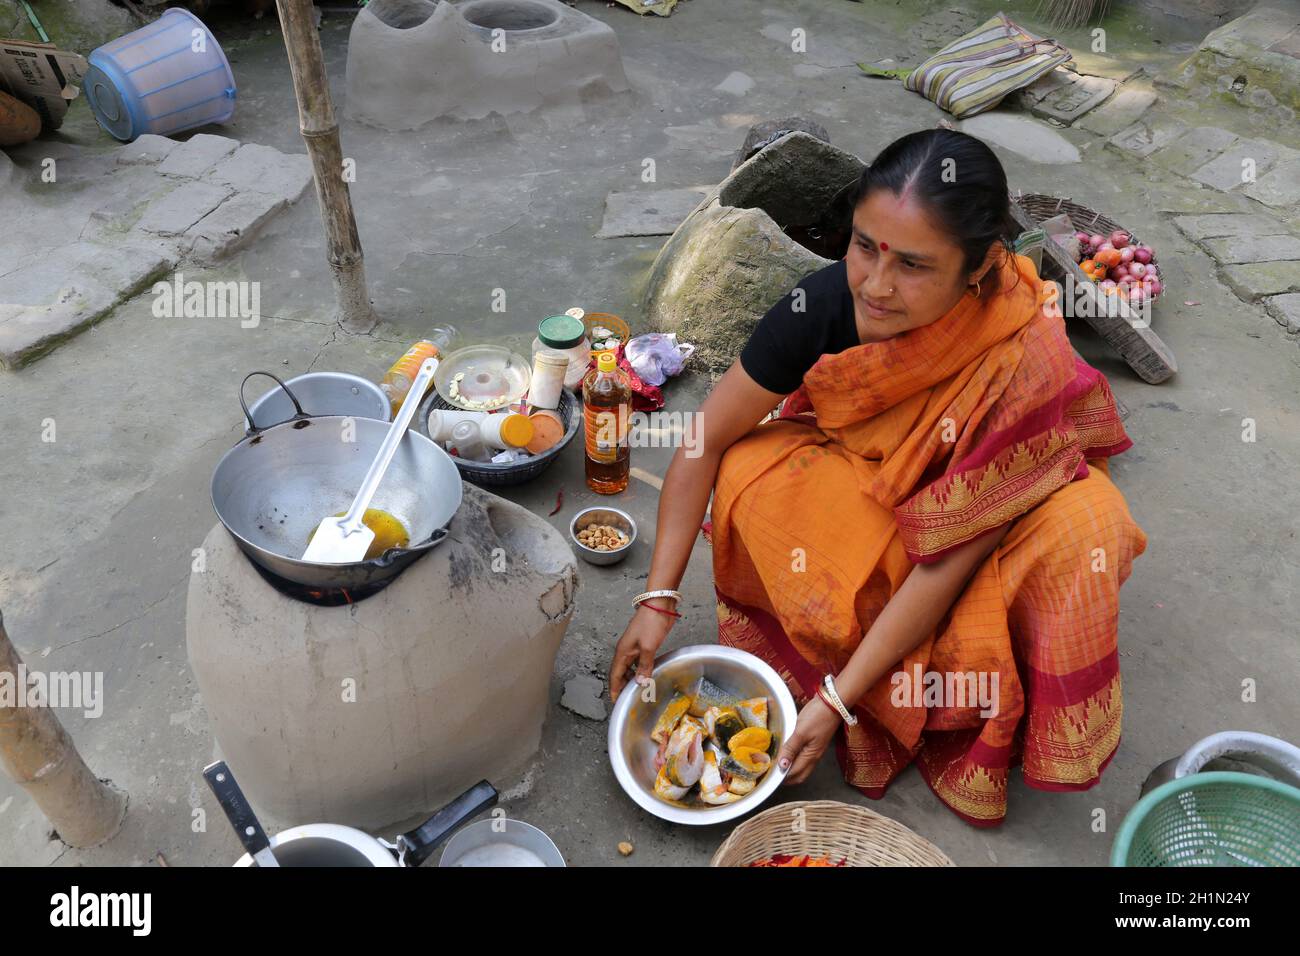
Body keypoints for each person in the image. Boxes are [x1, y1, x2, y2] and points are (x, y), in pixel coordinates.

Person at [607, 129, 1147, 825]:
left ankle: (962, 676)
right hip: (886, 496)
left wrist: (836, 700)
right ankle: (888, 647)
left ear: (980, 266)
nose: (877, 286)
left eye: (915, 266)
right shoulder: (824, 303)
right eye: (865, 246)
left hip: (990, 526)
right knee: (746, 468)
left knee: (1088, 527)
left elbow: (948, 558)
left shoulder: (1019, 348)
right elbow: (705, 439)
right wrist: (657, 599)